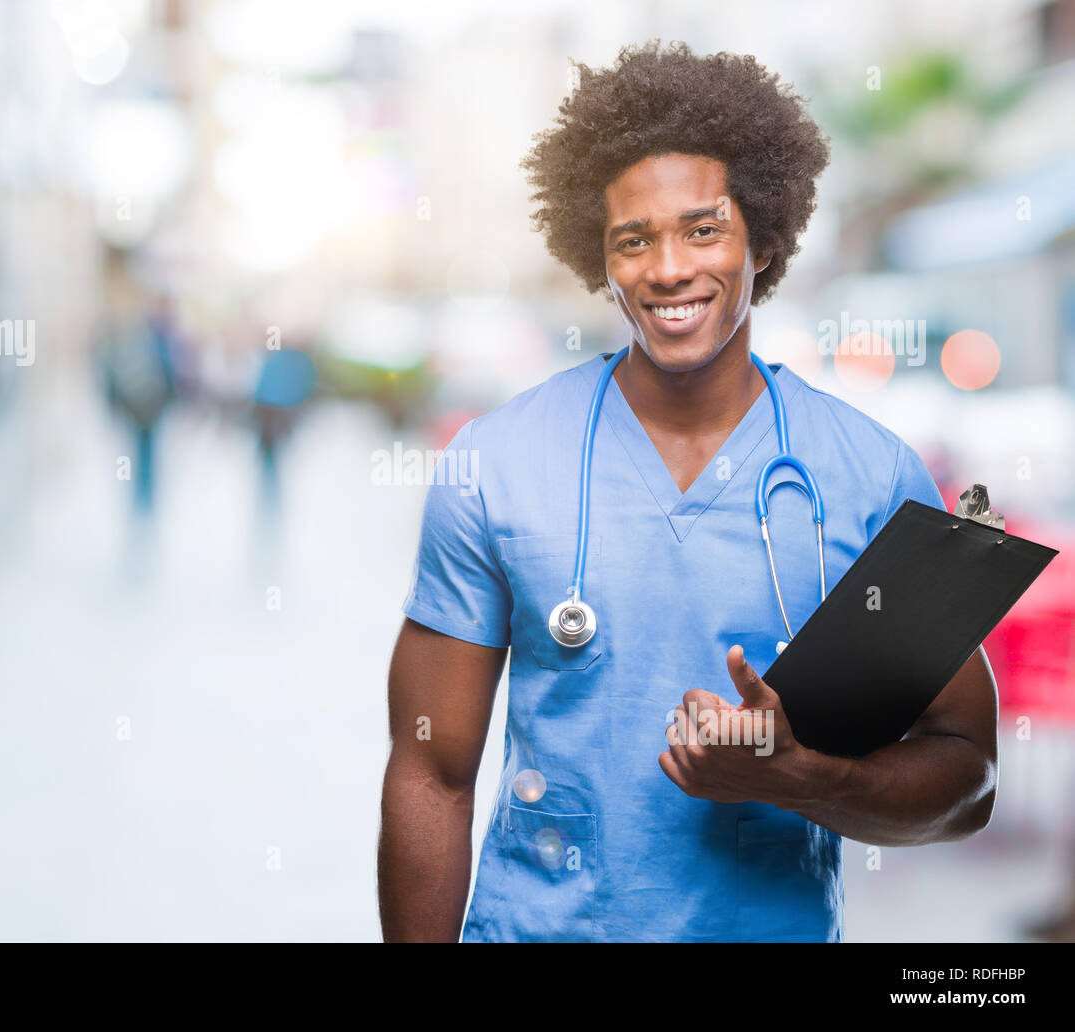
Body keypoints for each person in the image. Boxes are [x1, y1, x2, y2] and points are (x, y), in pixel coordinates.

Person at [377, 41, 998, 943]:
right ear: (600, 256)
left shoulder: (868, 477)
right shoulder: (496, 465)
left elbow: (966, 775)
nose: (668, 268)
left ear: (764, 236)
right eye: (634, 239)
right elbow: (430, 772)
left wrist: (804, 778)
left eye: (703, 229)